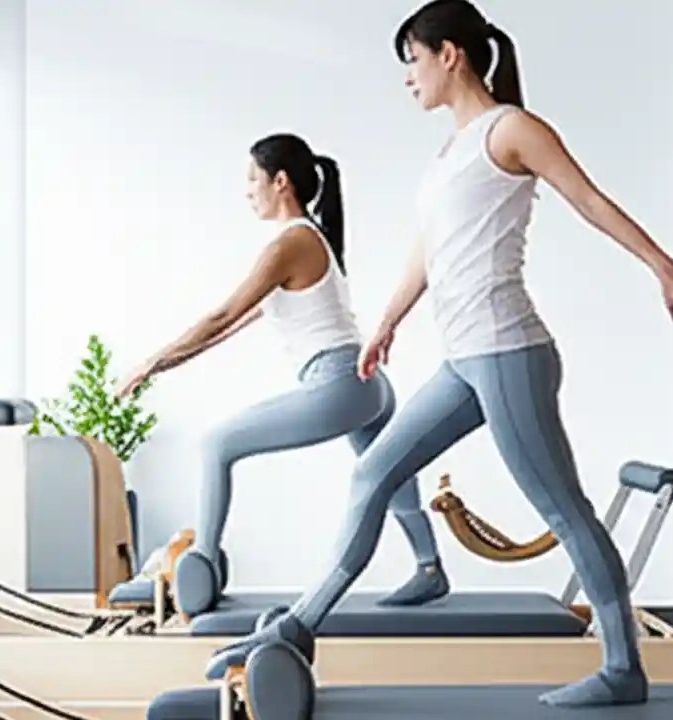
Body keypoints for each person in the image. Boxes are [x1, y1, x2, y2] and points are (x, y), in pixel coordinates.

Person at [202, 0, 673, 709]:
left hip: (508, 351)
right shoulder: (451, 150)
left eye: (412, 61)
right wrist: (386, 320)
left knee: (563, 508)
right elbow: (431, 250)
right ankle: (298, 627)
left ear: (450, 54)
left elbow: (589, 200)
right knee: (375, 474)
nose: (408, 78)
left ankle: (623, 669)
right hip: (465, 360)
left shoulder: (513, 129)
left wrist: (665, 270)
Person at [115, 133, 450, 616]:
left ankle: (204, 559)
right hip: (367, 386)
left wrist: (149, 361)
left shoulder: (289, 243)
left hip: (337, 385)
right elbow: (225, 331)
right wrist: (163, 367)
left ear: (280, 181)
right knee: (391, 477)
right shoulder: (309, 238)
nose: (247, 190)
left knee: (215, 445)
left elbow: (220, 315)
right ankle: (430, 568)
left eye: (252, 178)